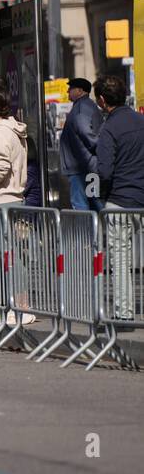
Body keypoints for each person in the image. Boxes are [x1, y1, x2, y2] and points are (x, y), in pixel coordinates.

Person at [92, 75, 144, 318]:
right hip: (141, 199)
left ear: (102, 101)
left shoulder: (108, 128)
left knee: (121, 259)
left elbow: (105, 171)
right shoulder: (140, 121)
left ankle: (124, 312)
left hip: (120, 201)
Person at [60, 77, 103, 211]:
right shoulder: (88, 106)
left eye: (70, 88)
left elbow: (85, 131)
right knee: (95, 203)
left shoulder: (80, 108)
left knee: (81, 206)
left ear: (79, 91)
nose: (68, 91)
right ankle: (102, 231)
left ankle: (89, 233)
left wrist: (95, 147)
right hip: (88, 165)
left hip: (81, 167)